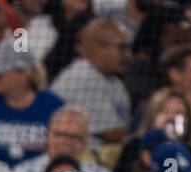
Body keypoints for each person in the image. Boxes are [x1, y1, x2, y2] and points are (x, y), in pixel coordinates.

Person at [49, 18, 131, 149]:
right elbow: (113, 134)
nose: (127, 55)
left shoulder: (113, 81)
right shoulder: (82, 76)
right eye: (121, 48)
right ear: (97, 48)